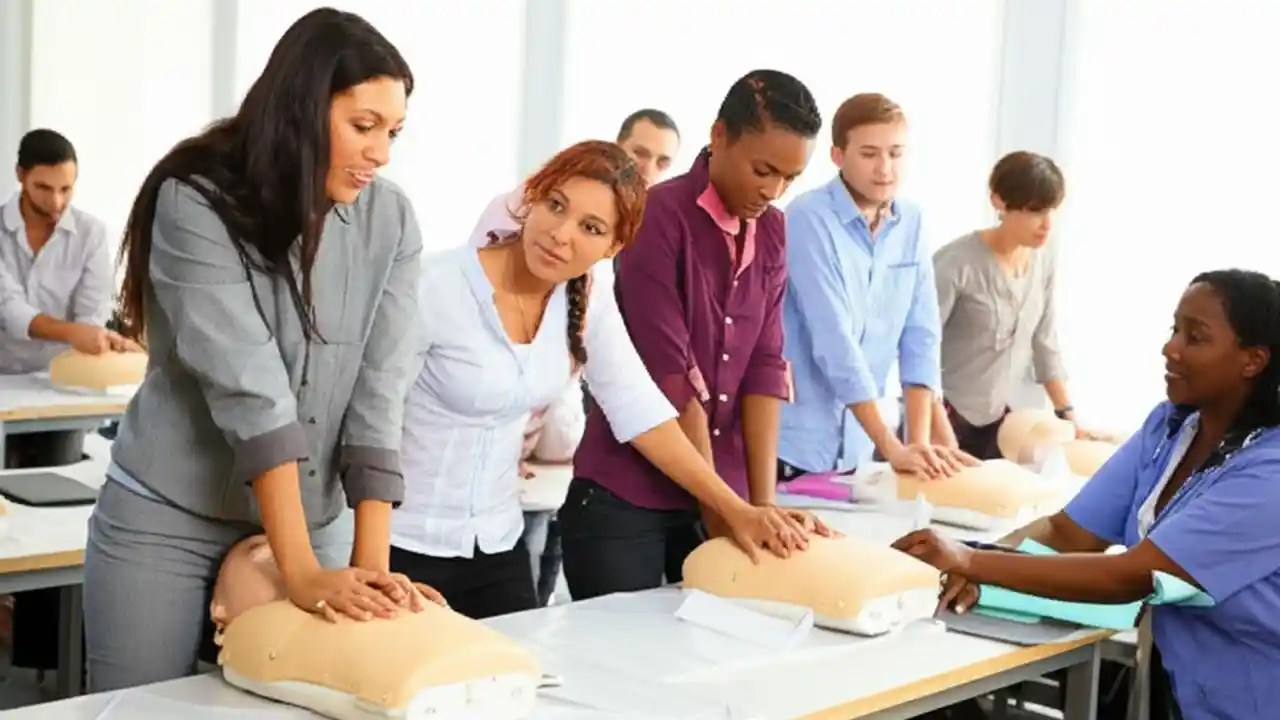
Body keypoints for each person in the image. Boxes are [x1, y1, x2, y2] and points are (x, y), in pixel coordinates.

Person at [83, 8, 431, 692]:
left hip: (316, 516)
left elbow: (380, 389)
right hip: (168, 512)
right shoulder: (194, 201)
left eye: (393, 133)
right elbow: (251, 388)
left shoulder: (391, 220)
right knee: (134, 708)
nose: (382, 153)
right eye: (363, 127)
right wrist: (299, 572)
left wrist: (370, 566)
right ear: (301, 108)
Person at [392, 140, 807, 618]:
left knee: (519, 686)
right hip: (401, 546)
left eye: (590, 228)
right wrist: (365, 557)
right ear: (532, 196)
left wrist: (737, 509)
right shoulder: (434, 286)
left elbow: (641, 411)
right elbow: (368, 424)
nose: (560, 234)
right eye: (555, 206)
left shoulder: (586, 296)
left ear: (614, 246)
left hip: (497, 548)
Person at [894, 269, 1280, 719]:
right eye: (1174, 329)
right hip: (1191, 684)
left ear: (1252, 360)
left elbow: (1134, 575)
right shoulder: (1170, 428)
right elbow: (1069, 531)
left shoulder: (1269, 473)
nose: (1170, 348)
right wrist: (981, 563)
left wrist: (971, 560)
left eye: (1195, 337)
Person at [562, 70, 830, 602]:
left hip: (725, 492)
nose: (772, 191)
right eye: (763, 170)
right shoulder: (656, 216)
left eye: (789, 179)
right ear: (719, 136)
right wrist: (726, 513)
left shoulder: (774, 229)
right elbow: (671, 377)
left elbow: (764, 364)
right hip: (626, 498)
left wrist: (762, 502)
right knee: (625, 669)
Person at [779, 93, 974, 481]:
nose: (885, 169)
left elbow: (921, 335)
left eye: (896, 153)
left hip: (860, 447)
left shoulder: (912, 221)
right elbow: (834, 341)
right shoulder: (808, 217)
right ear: (838, 156)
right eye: (869, 154)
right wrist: (890, 444)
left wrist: (916, 441)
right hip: (797, 444)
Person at [933, 151, 1093, 459]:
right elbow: (917, 350)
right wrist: (935, 430)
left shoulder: (1042, 263)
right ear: (999, 201)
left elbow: (1045, 344)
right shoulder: (954, 264)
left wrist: (1069, 416)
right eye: (1035, 211)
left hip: (1002, 424)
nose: (1047, 224)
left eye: (1052, 211)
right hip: (944, 420)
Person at [0, 129, 133, 378]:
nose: (56, 202)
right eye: (44, 188)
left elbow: (91, 316)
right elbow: (8, 309)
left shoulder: (91, 234)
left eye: (65, 189)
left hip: (62, 380)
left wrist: (92, 337)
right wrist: (73, 332)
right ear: (20, 175)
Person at [466, 109, 681, 248]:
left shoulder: (660, 230)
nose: (648, 170)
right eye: (640, 153)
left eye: (662, 162)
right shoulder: (537, 194)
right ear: (617, 145)